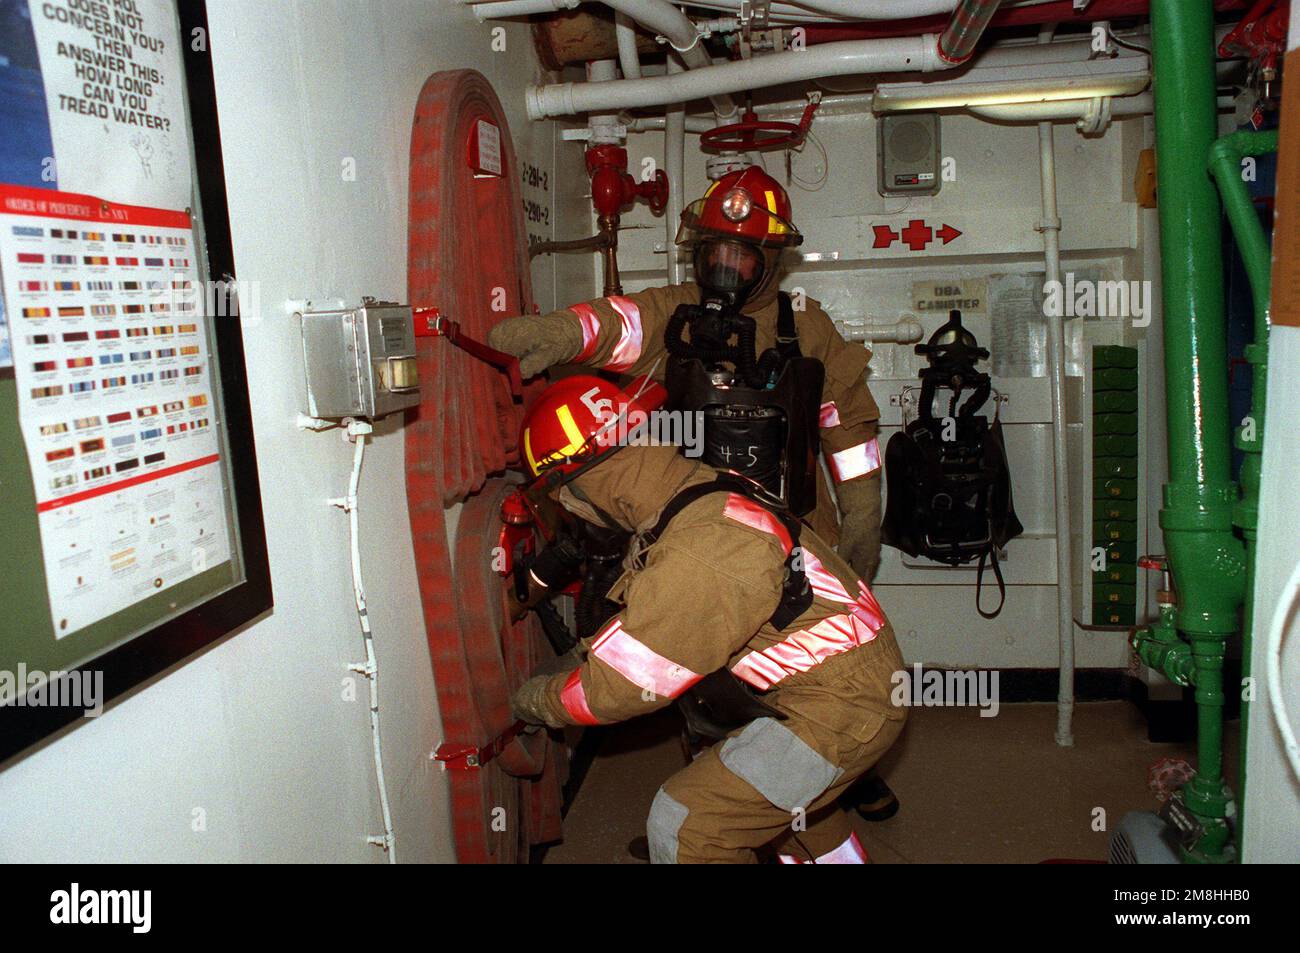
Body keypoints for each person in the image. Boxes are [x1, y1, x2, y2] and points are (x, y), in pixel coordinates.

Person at [509, 375, 907, 863]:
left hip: (837, 708)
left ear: (588, 483)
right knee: (793, 813)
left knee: (689, 824)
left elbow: (623, 687)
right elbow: (657, 623)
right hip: (847, 684)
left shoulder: (698, 547)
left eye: (563, 497)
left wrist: (538, 701)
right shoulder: (695, 492)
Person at [488, 165, 884, 581]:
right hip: (683, 532)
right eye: (715, 252)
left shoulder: (807, 326)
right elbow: (620, 323)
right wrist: (562, 332)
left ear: (770, 261)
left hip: (792, 534)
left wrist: (861, 513)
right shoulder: (677, 313)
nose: (724, 266)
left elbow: (848, 427)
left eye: (740, 256)